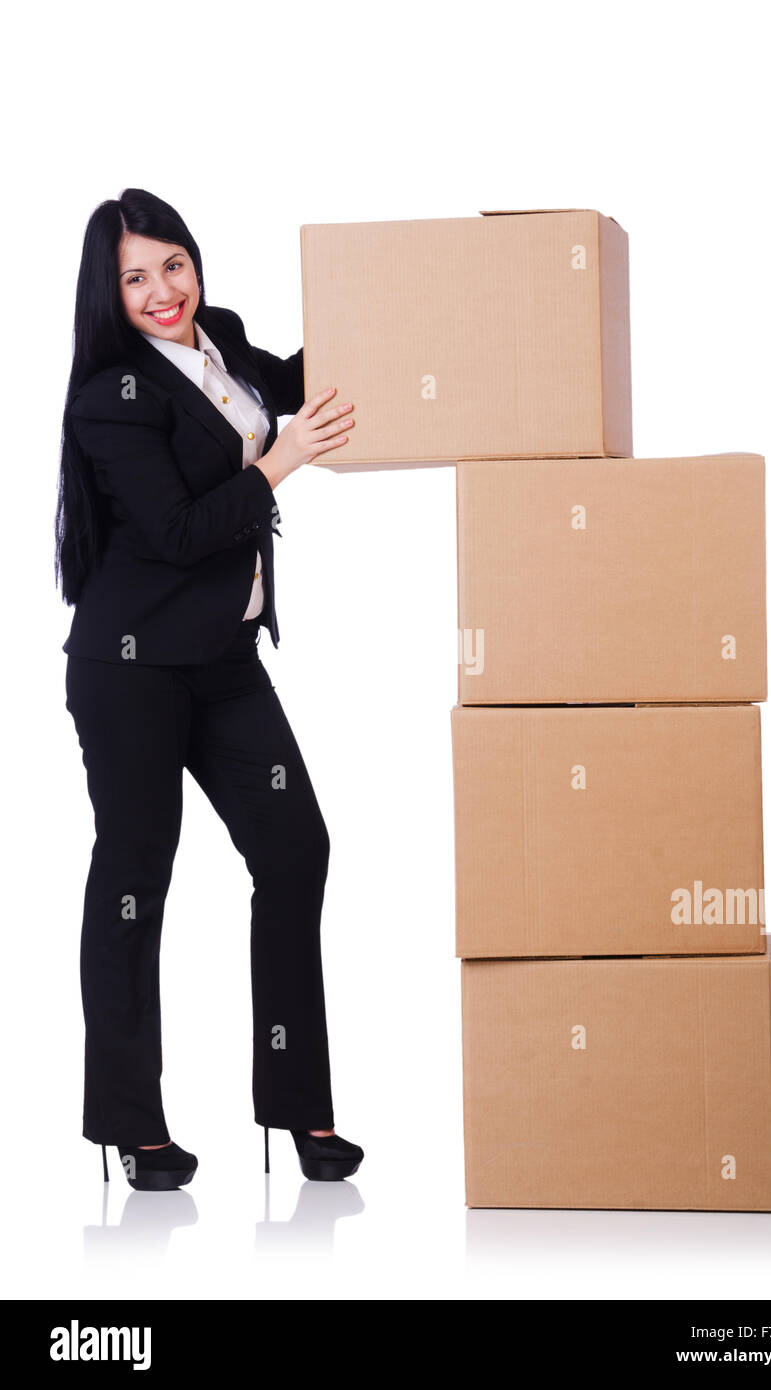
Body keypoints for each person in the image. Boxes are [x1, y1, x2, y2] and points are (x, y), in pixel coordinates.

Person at [55, 187, 363, 1190]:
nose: (162, 291)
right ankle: (132, 1126)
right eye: (135, 277)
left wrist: (387, 304)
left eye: (173, 264)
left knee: (295, 850)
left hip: (225, 662)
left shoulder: (219, 337)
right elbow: (180, 532)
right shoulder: (110, 396)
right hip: (132, 670)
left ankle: (299, 1108)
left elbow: (300, 382)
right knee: (136, 880)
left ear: (195, 262)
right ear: (108, 293)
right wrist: (281, 463)